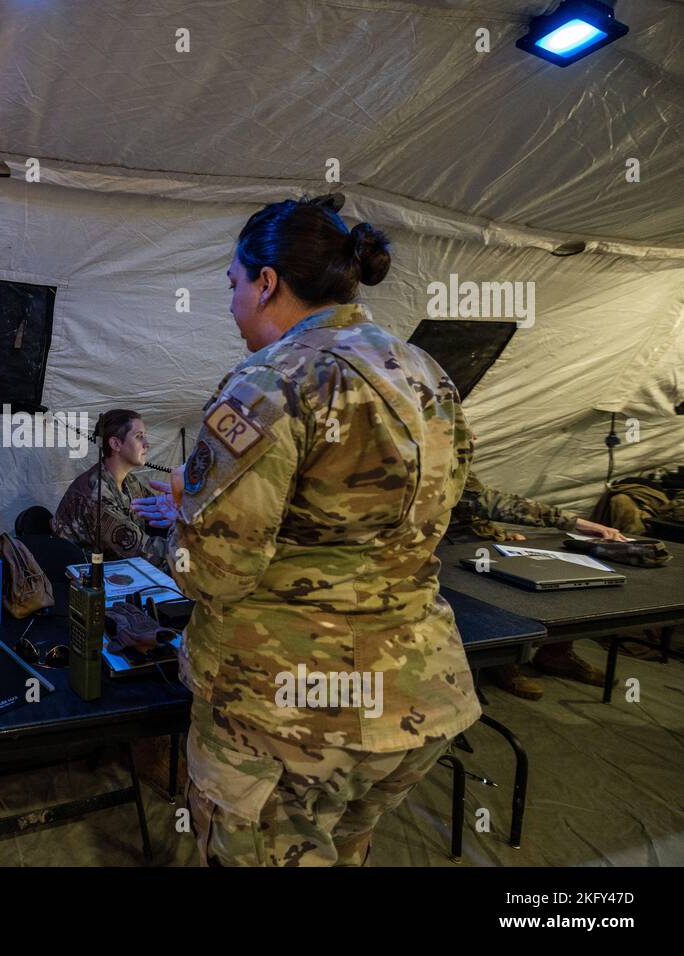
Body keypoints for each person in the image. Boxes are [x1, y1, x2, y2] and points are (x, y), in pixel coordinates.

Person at [132, 194, 479, 866]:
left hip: (285, 713)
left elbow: (215, 571)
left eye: (233, 285)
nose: (232, 306)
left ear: (266, 283)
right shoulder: (424, 373)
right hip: (416, 697)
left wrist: (186, 513)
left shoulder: (271, 382)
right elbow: (438, 510)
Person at [450, 470, 627, 699]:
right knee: (499, 588)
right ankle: (503, 657)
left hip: (469, 545)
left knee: (558, 572)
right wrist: (572, 522)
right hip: (438, 552)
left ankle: (556, 654)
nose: (472, 438)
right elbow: (489, 502)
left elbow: (472, 507)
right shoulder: (432, 451)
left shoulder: (453, 455)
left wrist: (500, 535)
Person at [52, 409, 168, 568]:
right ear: (115, 444)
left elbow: (158, 514)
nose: (147, 443)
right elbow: (145, 553)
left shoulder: (128, 481)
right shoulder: (97, 495)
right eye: (139, 436)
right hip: (89, 579)